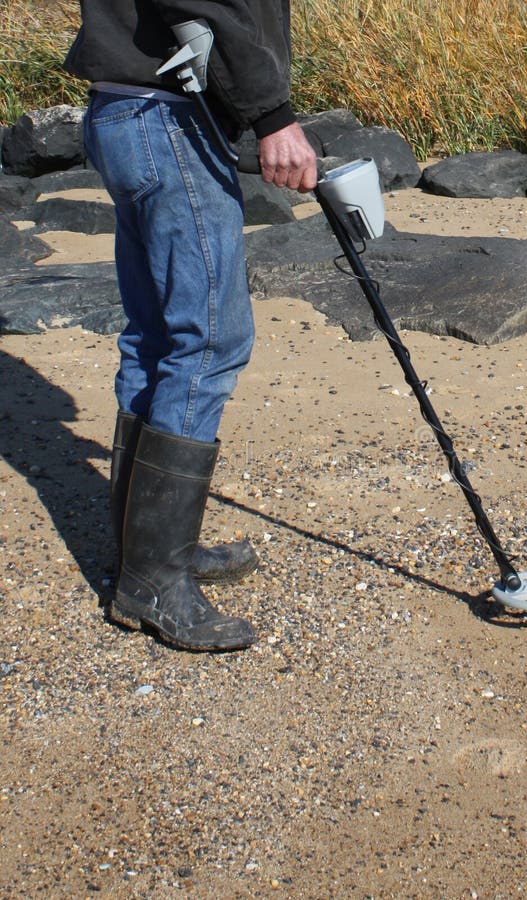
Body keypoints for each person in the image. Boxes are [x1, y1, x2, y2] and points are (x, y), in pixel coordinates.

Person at [64, 1, 317, 651]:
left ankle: (147, 552)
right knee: (208, 340)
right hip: (165, 118)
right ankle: (152, 581)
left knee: (156, 339)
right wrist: (272, 116)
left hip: (124, 110)